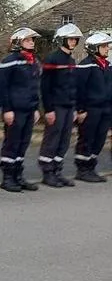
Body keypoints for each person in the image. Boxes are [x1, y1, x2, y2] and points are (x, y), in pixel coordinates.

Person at [0, 27, 43, 192]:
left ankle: (18, 175)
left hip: (28, 109)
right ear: (18, 42)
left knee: (23, 144)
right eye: (28, 40)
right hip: (15, 110)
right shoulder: (10, 60)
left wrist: (36, 108)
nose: (32, 42)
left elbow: (34, 87)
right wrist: (7, 109)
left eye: (32, 40)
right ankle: (8, 177)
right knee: (12, 143)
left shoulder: (33, 61)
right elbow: (3, 87)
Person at [38, 23, 83, 187]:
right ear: (62, 40)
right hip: (55, 106)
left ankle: (57, 170)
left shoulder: (71, 60)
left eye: (75, 39)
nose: (73, 42)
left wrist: (75, 108)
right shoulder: (52, 58)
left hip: (68, 106)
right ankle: (47, 172)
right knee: (52, 139)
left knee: (64, 141)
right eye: (70, 39)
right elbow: (45, 86)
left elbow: (73, 86)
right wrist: (48, 110)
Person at [73, 31, 112, 182]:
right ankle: (82, 170)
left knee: (100, 139)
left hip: (105, 109)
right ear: (94, 48)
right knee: (86, 139)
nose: (107, 49)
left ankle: (91, 167)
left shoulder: (108, 66)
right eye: (103, 46)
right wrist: (80, 110)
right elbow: (79, 89)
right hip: (90, 110)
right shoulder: (85, 65)